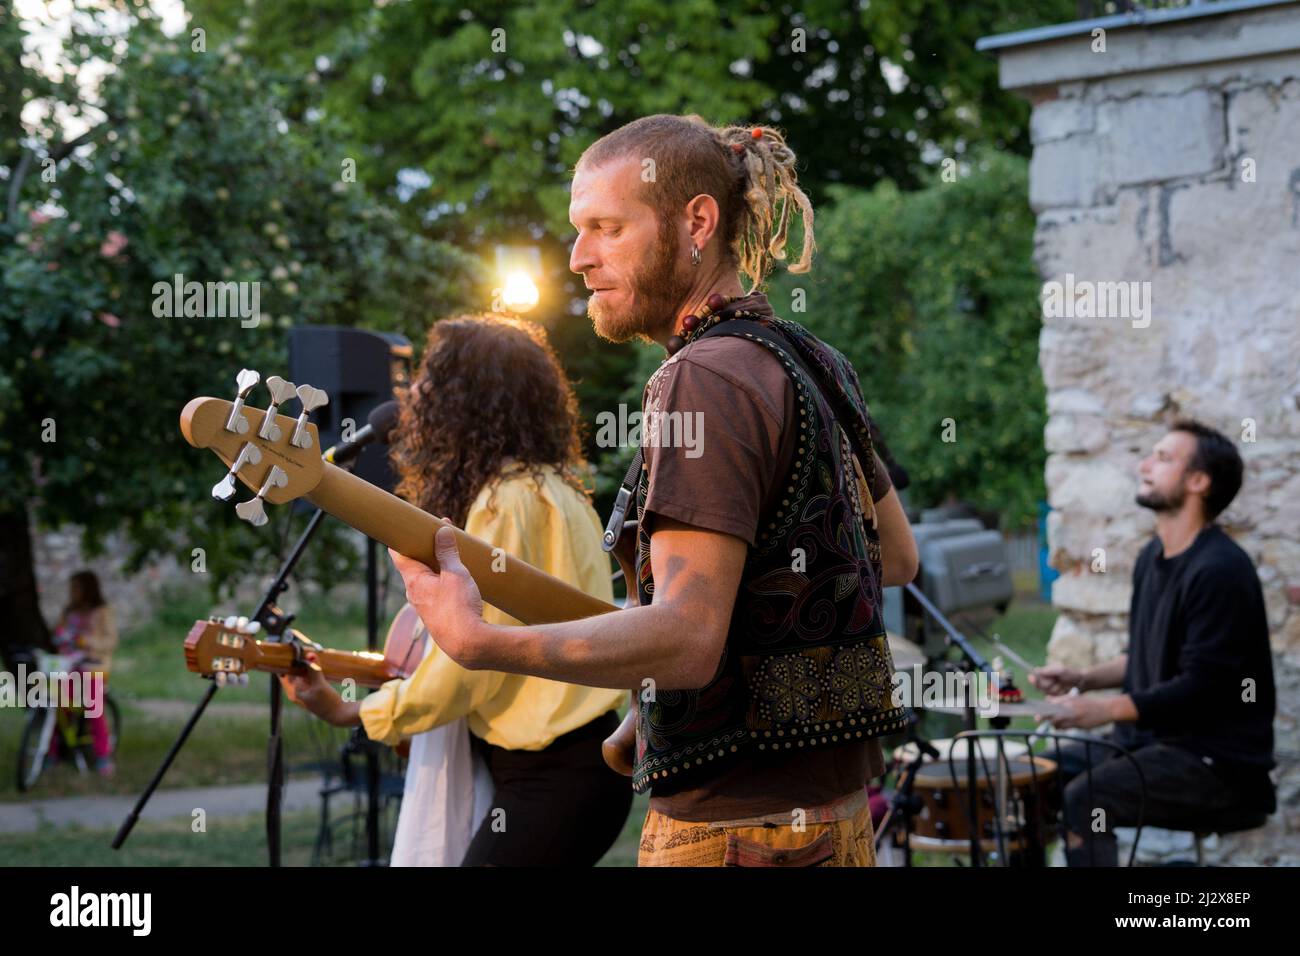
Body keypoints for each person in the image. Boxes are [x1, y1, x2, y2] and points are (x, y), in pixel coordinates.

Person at [387, 115, 919, 867]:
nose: (578, 258)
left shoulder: (698, 379)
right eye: (578, 231)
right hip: (834, 818)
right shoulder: (819, 361)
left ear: (696, 221)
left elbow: (687, 640)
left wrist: (481, 642)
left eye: (606, 228)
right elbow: (893, 557)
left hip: (737, 832)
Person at [282, 314, 631, 866]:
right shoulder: (560, 489)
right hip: (580, 767)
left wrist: (356, 713)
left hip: (549, 775)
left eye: (430, 377)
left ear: (467, 399)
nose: (414, 390)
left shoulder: (504, 501)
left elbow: (470, 661)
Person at [1031, 420, 1276, 866]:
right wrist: (1082, 679)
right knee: (1033, 777)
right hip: (1150, 743)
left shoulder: (1220, 570)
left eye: (1163, 458)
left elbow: (1200, 686)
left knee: (1090, 798)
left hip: (1216, 764)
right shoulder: (1152, 557)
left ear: (1198, 482)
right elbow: (1149, 658)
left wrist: (1104, 710)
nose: (1144, 465)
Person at [51, 570, 118, 778]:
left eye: (77, 588)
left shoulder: (101, 612)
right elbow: (59, 633)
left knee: (94, 708)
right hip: (68, 667)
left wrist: (86, 642)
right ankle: (52, 752)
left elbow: (110, 641)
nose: (73, 592)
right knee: (58, 705)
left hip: (92, 668)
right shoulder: (68, 611)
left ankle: (102, 755)